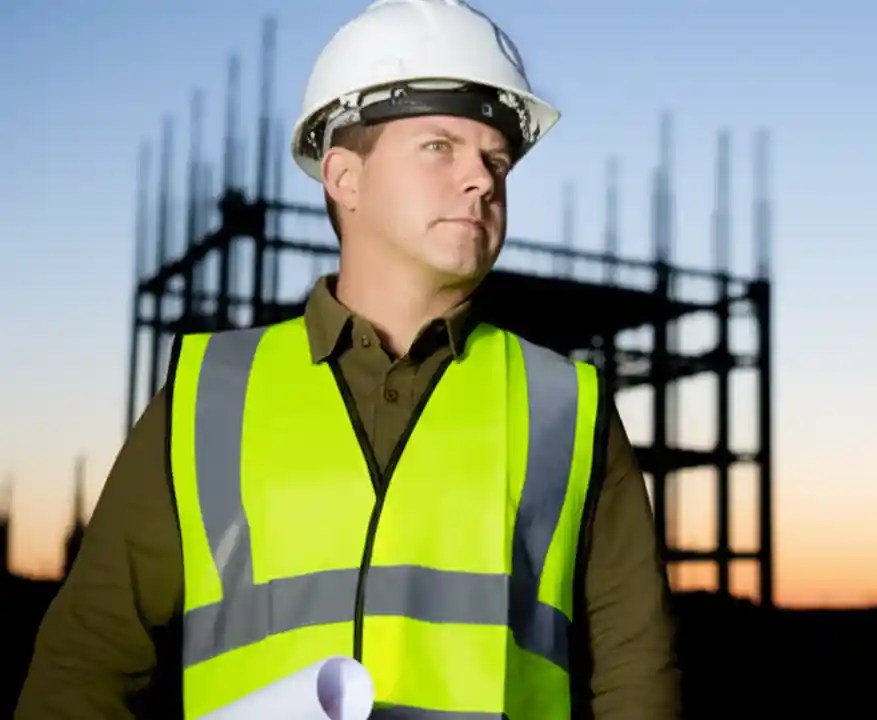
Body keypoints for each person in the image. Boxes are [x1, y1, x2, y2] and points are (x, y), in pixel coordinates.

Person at [14, 0, 681, 717]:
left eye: (495, 160)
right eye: (439, 146)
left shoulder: (566, 406)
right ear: (344, 178)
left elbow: (637, 675)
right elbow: (84, 664)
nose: (482, 180)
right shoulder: (208, 397)